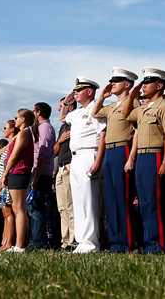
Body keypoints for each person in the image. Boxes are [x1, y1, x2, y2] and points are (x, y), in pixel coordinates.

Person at [124, 68, 165, 254]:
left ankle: (159, 243)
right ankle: (149, 243)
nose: (144, 86)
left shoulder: (164, 106)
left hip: (156, 154)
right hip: (142, 156)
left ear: (159, 86)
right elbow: (126, 113)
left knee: (155, 201)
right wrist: (133, 91)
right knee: (145, 202)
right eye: (143, 83)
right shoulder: (142, 109)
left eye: (147, 83)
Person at [91, 68, 139, 253]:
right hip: (110, 152)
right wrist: (102, 96)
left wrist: (131, 156)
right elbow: (95, 113)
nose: (112, 84)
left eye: (116, 81)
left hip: (122, 150)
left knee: (122, 198)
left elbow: (137, 132)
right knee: (111, 199)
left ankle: (127, 241)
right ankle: (115, 242)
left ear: (127, 84)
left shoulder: (132, 102)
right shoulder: (112, 106)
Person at [64, 78, 107, 254]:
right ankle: (82, 241)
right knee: (78, 200)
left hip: (89, 154)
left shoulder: (95, 109)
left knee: (89, 201)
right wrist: (68, 100)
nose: (75, 93)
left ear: (90, 92)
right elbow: (64, 117)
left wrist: (97, 161)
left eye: (79, 90)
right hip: (75, 158)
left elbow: (102, 135)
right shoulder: (76, 113)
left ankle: (91, 242)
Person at [0, 108, 35, 253]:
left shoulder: (24, 133)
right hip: (17, 172)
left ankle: (20, 245)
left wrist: (5, 174)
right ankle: (18, 244)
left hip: (18, 172)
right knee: (16, 208)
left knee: (19, 208)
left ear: (24, 119)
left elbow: (14, 156)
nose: (16, 120)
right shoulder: (22, 134)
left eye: (17, 117)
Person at [28, 102, 58, 250]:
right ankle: (36, 239)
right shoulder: (40, 127)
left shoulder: (44, 127)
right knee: (34, 208)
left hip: (41, 173)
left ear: (38, 112)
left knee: (37, 208)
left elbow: (43, 153)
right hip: (38, 172)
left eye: (34, 111)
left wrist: (35, 176)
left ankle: (38, 242)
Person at [54, 99, 76, 249]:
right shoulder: (63, 127)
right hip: (60, 168)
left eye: (62, 106)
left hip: (70, 165)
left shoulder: (76, 123)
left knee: (70, 205)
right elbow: (54, 150)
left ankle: (73, 239)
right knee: (62, 207)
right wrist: (60, 140)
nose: (59, 109)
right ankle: (65, 240)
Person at [0, 121, 17, 251]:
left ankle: (9, 242)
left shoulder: (12, 144)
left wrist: (2, 182)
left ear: (12, 129)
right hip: (1, 182)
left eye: (5, 128)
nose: (3, 130)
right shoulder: (7, 146)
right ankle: (5, 241)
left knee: (8, 212)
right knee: (5, 213)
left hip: (5, 183)